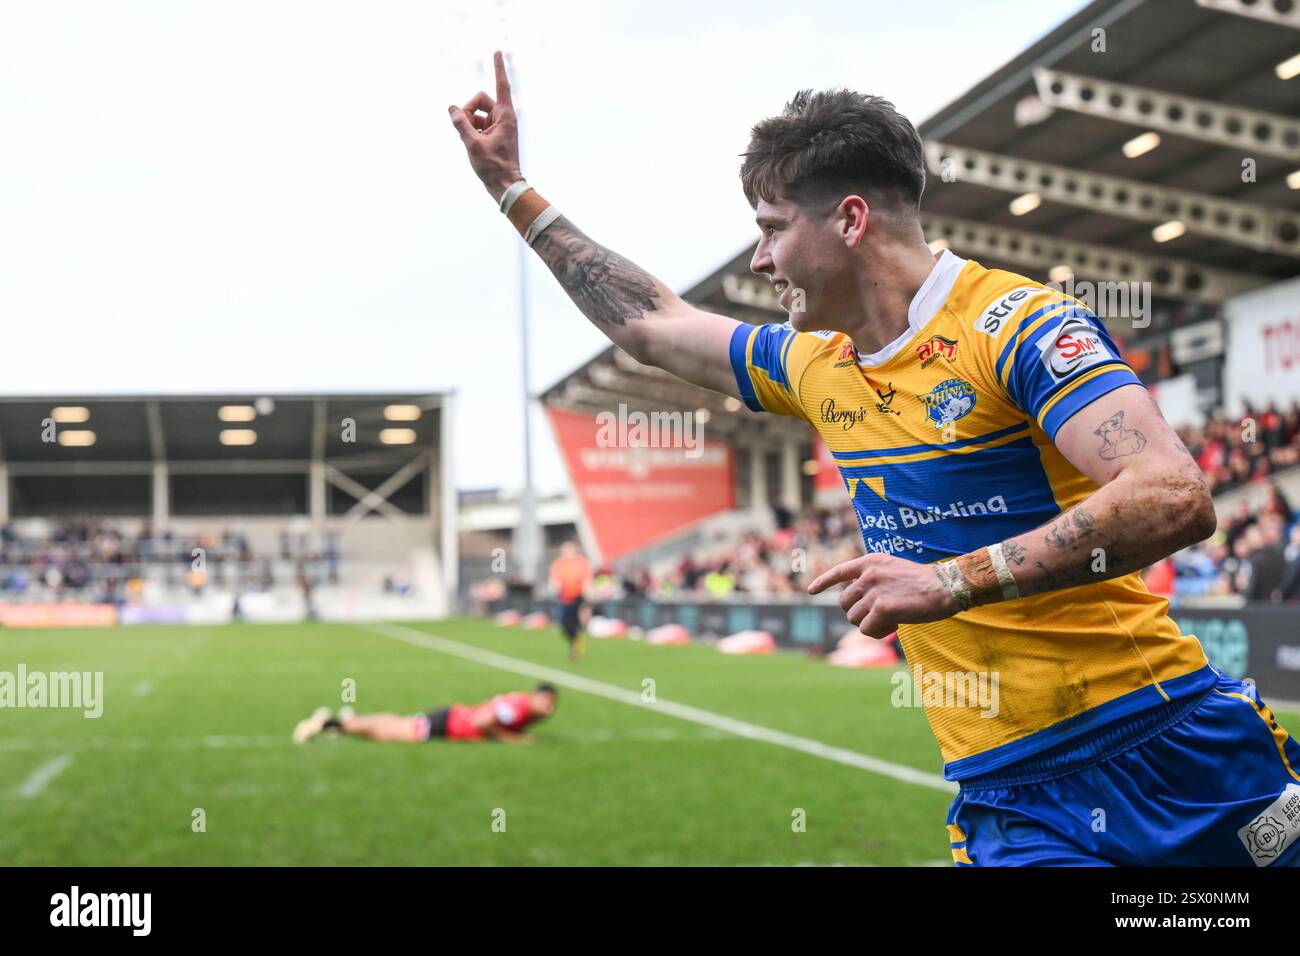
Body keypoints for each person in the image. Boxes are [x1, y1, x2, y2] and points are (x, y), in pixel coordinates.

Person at [448, 54, 1299, 867]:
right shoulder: (812, 361)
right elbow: (648, 323)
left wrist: (949, 581)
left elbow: (1175, 494)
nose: (759, 259)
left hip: (1167, 744)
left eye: (773, 230)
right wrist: (512, 191)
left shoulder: (1019, 325)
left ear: (850, 220)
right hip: (1007, 793)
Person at [292, 684, 558, 745]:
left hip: (452, 718)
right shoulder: (520, 707)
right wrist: (512, 740)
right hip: (451, 724)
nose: (549, 709)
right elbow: (483, 721)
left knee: (394, 724)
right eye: (546, 702)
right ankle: (327, 723)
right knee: (388, 732)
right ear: (536, 695)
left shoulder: (520, 704)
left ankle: (344, 721)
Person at [549, 541, 592, 661]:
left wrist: (587, 595)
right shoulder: (559, 563)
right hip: (564, 598)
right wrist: (556, 589)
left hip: (578, 597)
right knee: (564, 623)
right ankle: (575, 640)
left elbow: (587, 579)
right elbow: (554, 580)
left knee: (576, 623)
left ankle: (576, 647)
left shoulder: (581, 563)